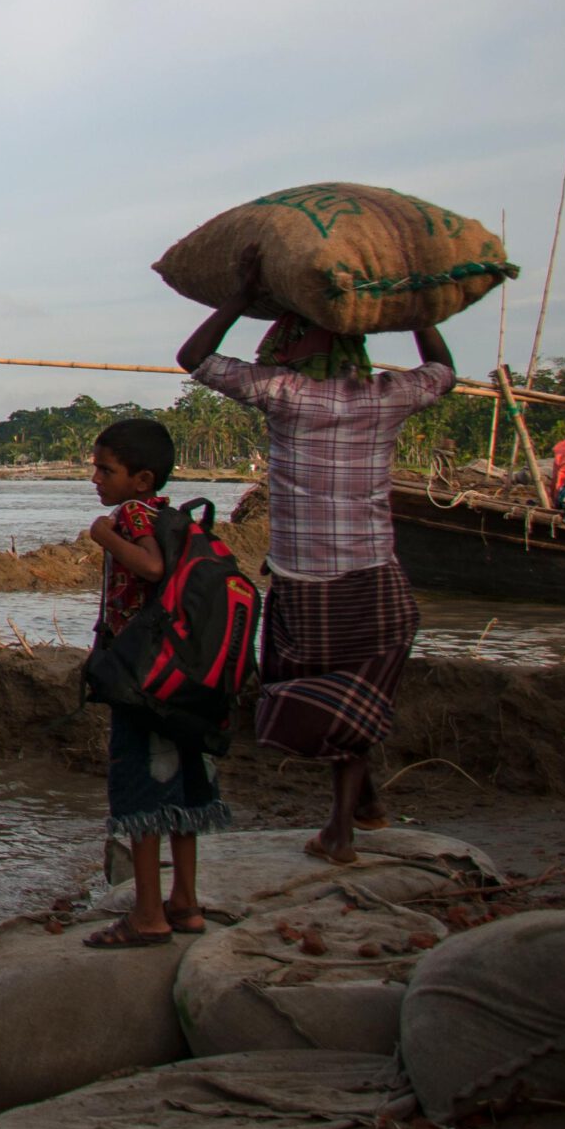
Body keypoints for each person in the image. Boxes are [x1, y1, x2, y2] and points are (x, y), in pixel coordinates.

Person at [178, 245, 454, 866]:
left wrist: (241, 298)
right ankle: (365, 804)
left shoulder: (285, 394)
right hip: (375, 579)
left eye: (285, 339)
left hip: (310, 586)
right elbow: (442, 369)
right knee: (342, 697)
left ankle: (341, 831)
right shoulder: (387, 395)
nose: (272, 349)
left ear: (307, 348)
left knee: (319, 701)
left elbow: (194, 359)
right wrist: (415, 312)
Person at [79, 417, 225, 949]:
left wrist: (103, 535)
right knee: (184, 794)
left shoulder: (134, 513)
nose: (94, 477)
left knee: (142, 796)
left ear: (141, 479)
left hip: (143, 677)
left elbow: (152, 568)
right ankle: (184, 902)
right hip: (178, 676)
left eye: (104, 469)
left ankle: (147, 913)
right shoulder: (174, 515)